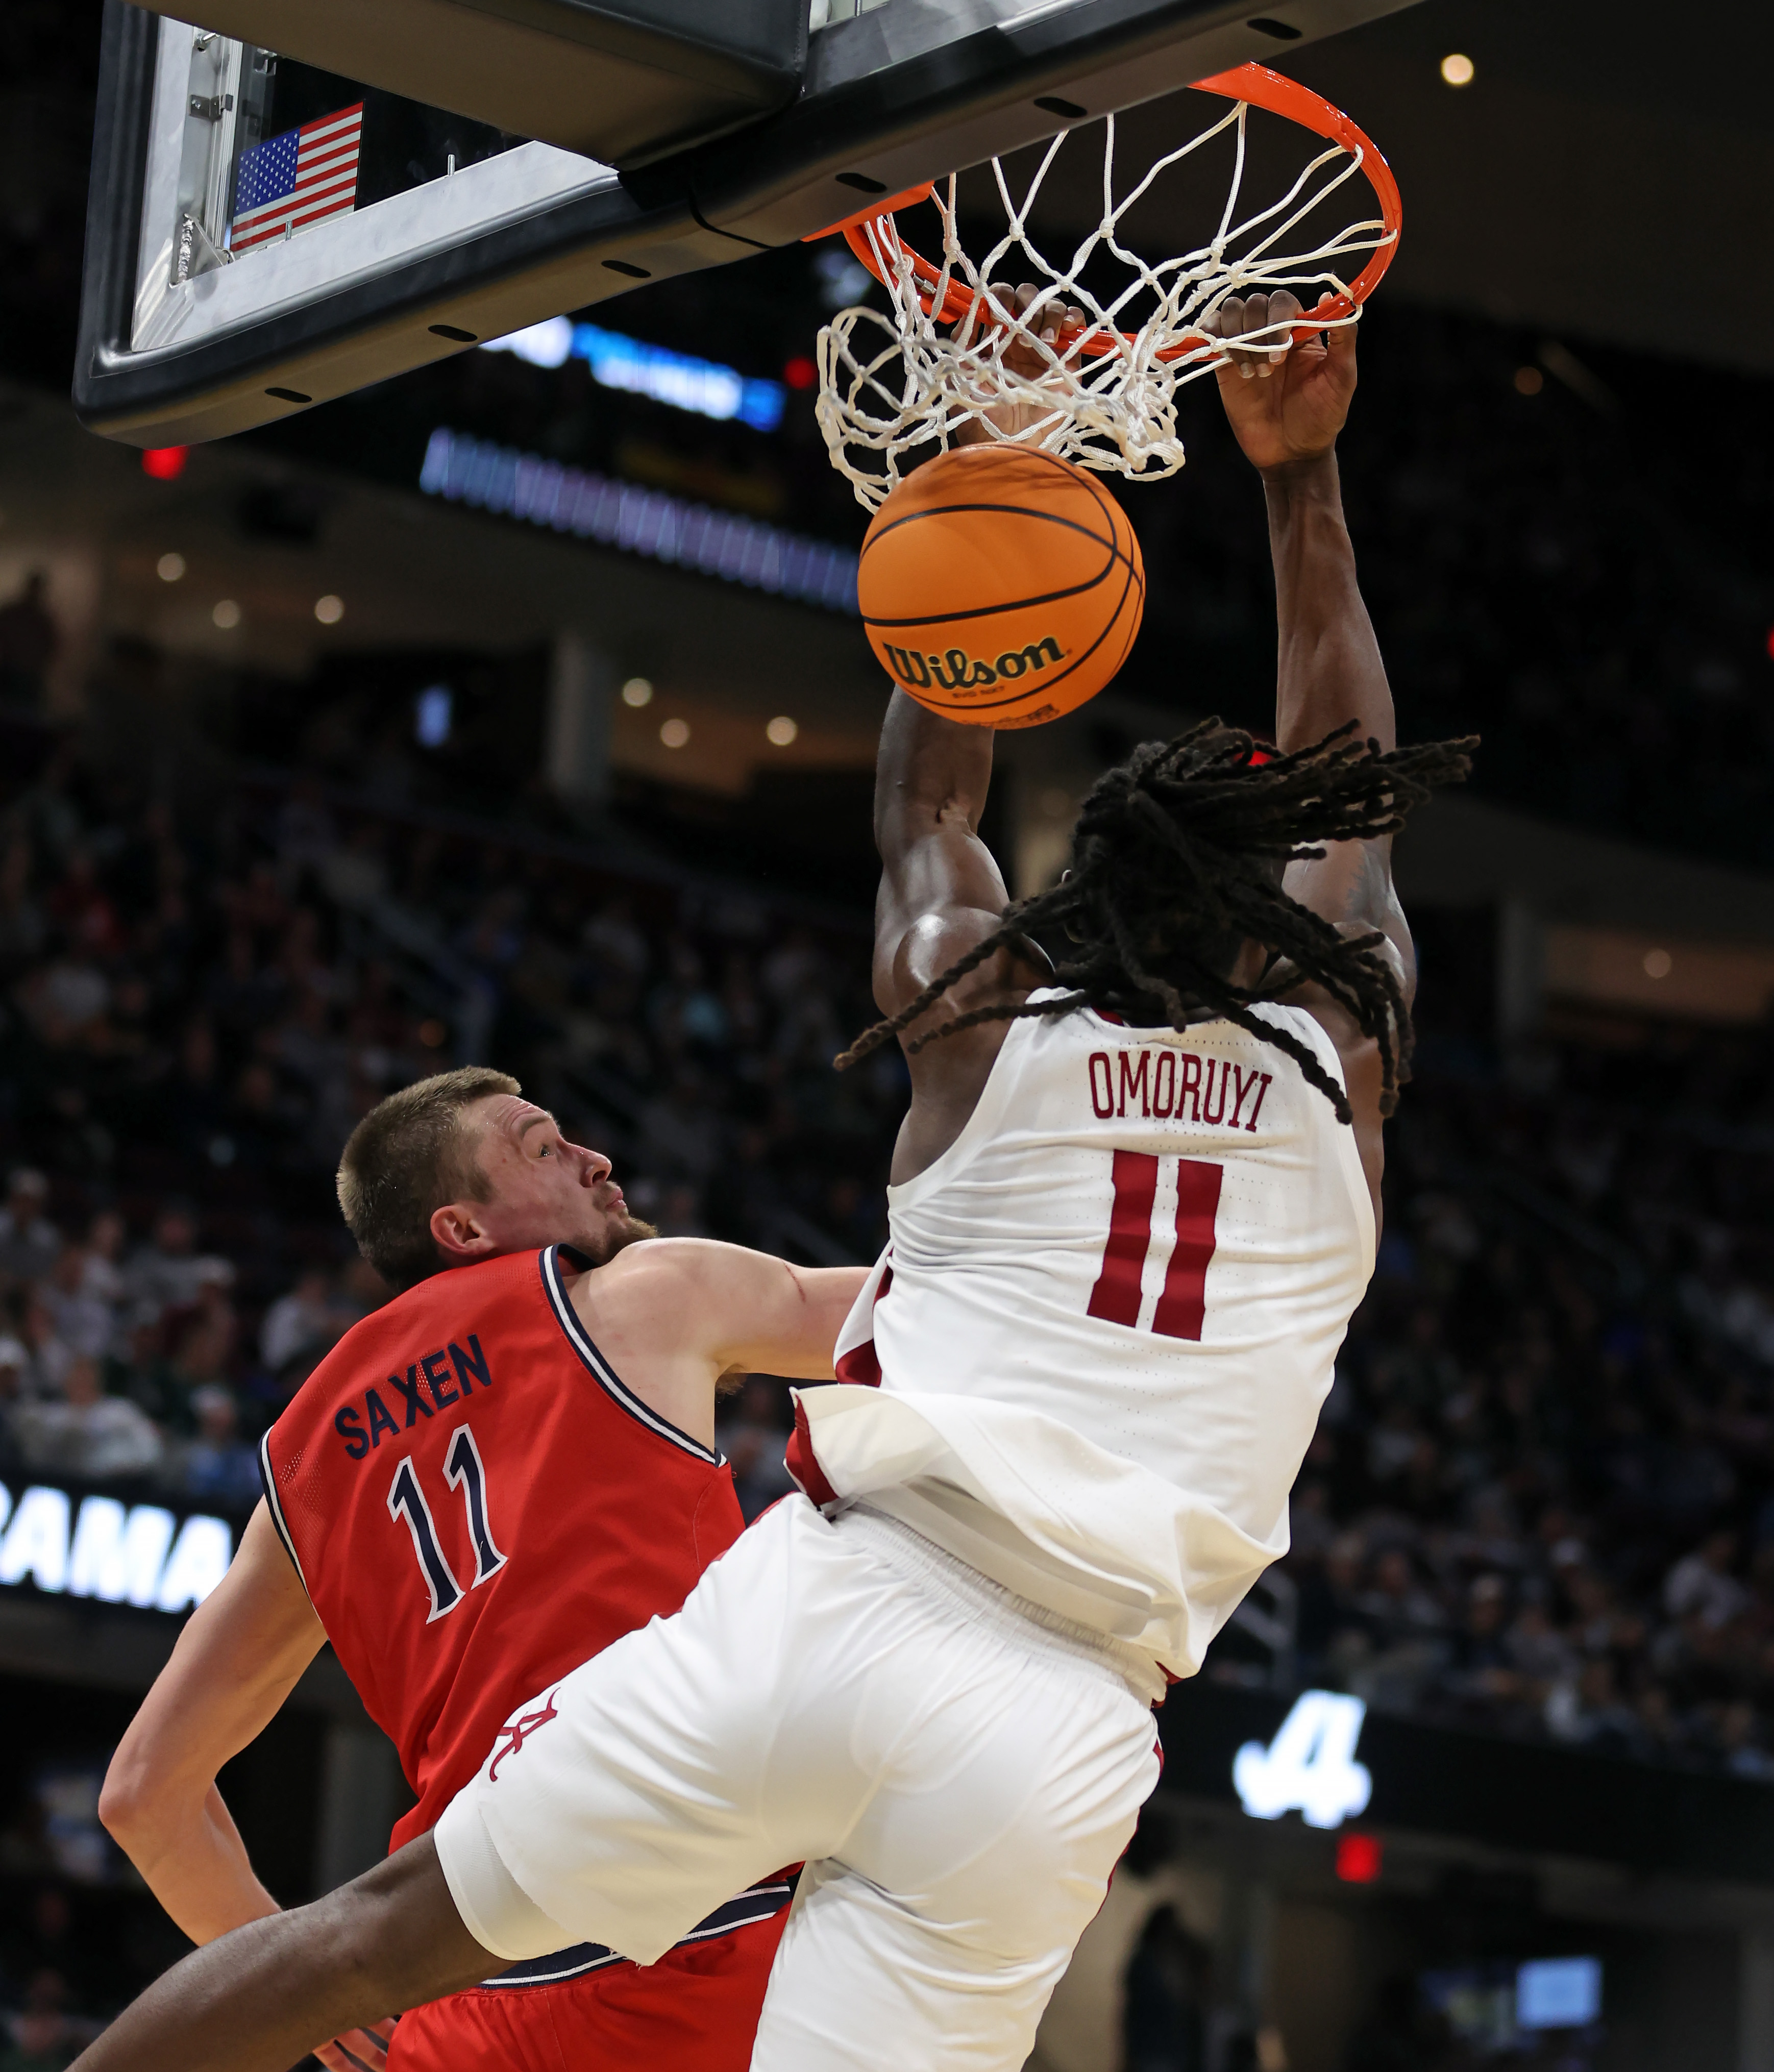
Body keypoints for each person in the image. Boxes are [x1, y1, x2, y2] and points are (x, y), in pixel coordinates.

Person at [70, 292, 1473, 2072]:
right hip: (1064, 1724)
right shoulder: (1337, 1076)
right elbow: (1351, 804)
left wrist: (1001, 457)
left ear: (1077, 909)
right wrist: (1305, 480)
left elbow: (924, 816)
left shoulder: (987, 1035)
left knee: (364, 1945)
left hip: (845, 1603)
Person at [95, 1066, 866, 2072]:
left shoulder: (302, 1464)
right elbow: (948, 1322)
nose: (597, 1158)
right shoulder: (642, 1294)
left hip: (461, 1969)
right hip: (700, 1924)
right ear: (462, 1228)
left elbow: (143, 1793)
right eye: (542, 1146)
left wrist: (321, 2005)